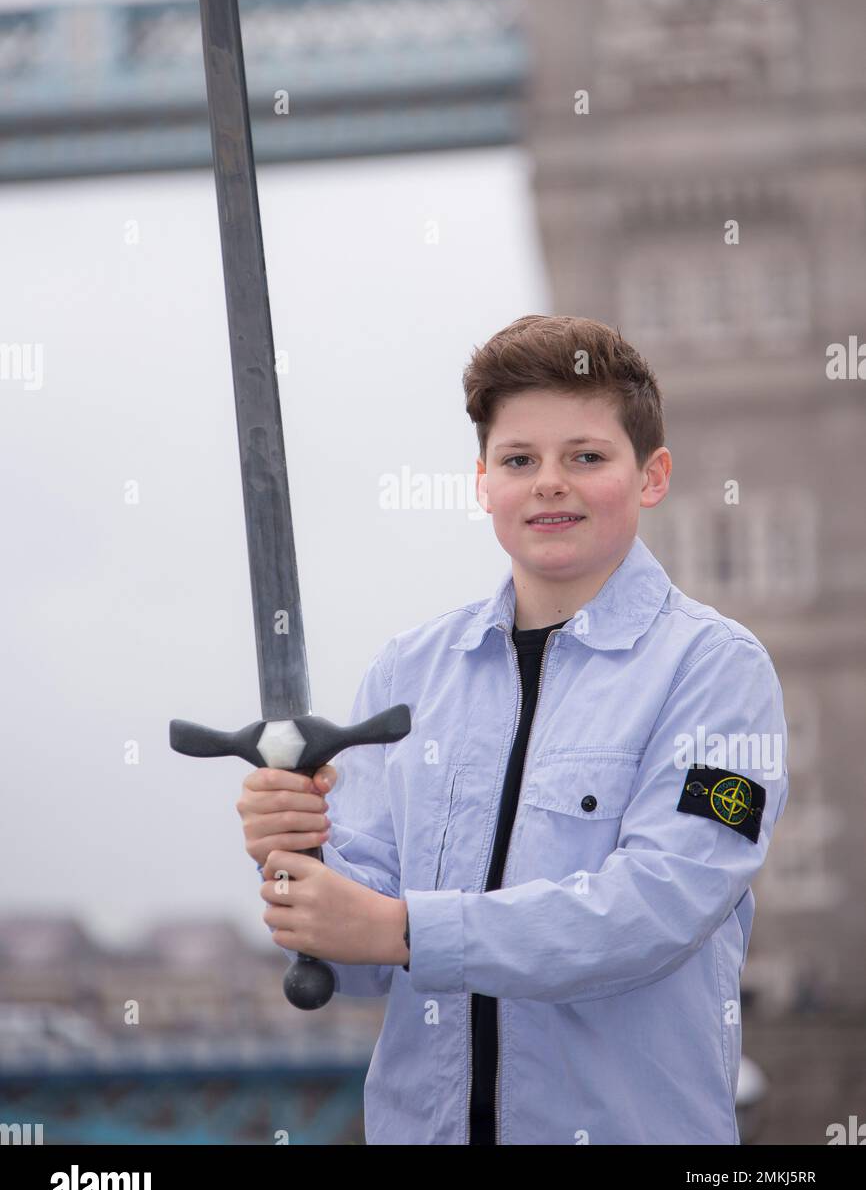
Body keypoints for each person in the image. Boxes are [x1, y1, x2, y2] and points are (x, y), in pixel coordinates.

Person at [239, 314, 789, 1145]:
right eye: (519, 460)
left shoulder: (719, 671)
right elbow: (355, 968)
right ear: (482, 480)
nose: (549, 483)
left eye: (587, 457)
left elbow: (655, 909)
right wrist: (299, 860)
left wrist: (399, 928)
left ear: (653, 475)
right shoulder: (405, 674)